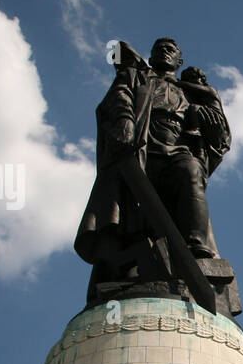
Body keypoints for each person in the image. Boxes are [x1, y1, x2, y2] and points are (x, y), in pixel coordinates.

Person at [74, 37, 234, 310]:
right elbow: (118, 97)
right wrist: (125, 121)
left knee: (191, 171)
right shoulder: (137, 76)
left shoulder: (190, 91)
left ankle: (195, 250)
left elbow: (219, 136)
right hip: (142, 149)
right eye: (159, 49)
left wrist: (204, 102)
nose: (163, 52)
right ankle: (132, 264)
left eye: (170, 50)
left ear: (178, 60)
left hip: (177, 147)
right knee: (134, 211)